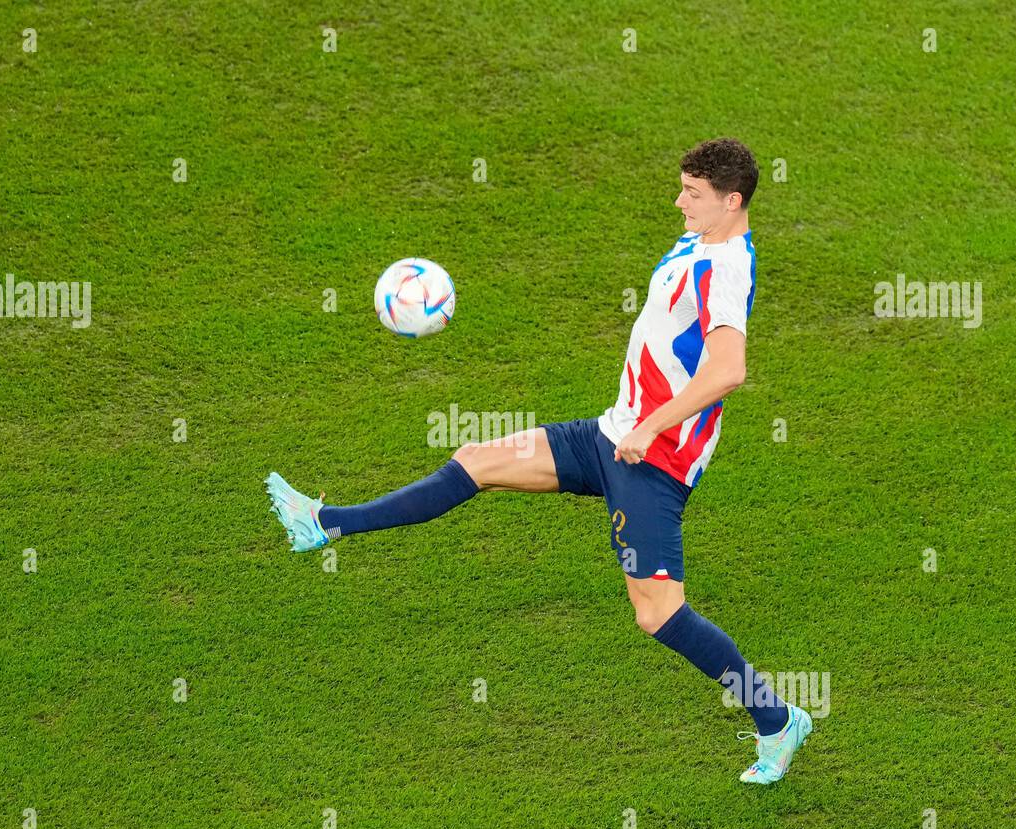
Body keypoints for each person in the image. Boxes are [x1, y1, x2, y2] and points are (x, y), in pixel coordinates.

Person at [267, 138, 812, 784]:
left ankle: (778, 723)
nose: (678, 201)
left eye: (692, 194)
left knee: (658, 614)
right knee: (477, 459)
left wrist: (651, 427)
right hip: (609, 437)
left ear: (733, 200)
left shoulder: (724, 270)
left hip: (651, 462)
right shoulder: (698, 242)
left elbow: (729, 371)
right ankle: (325, 522)